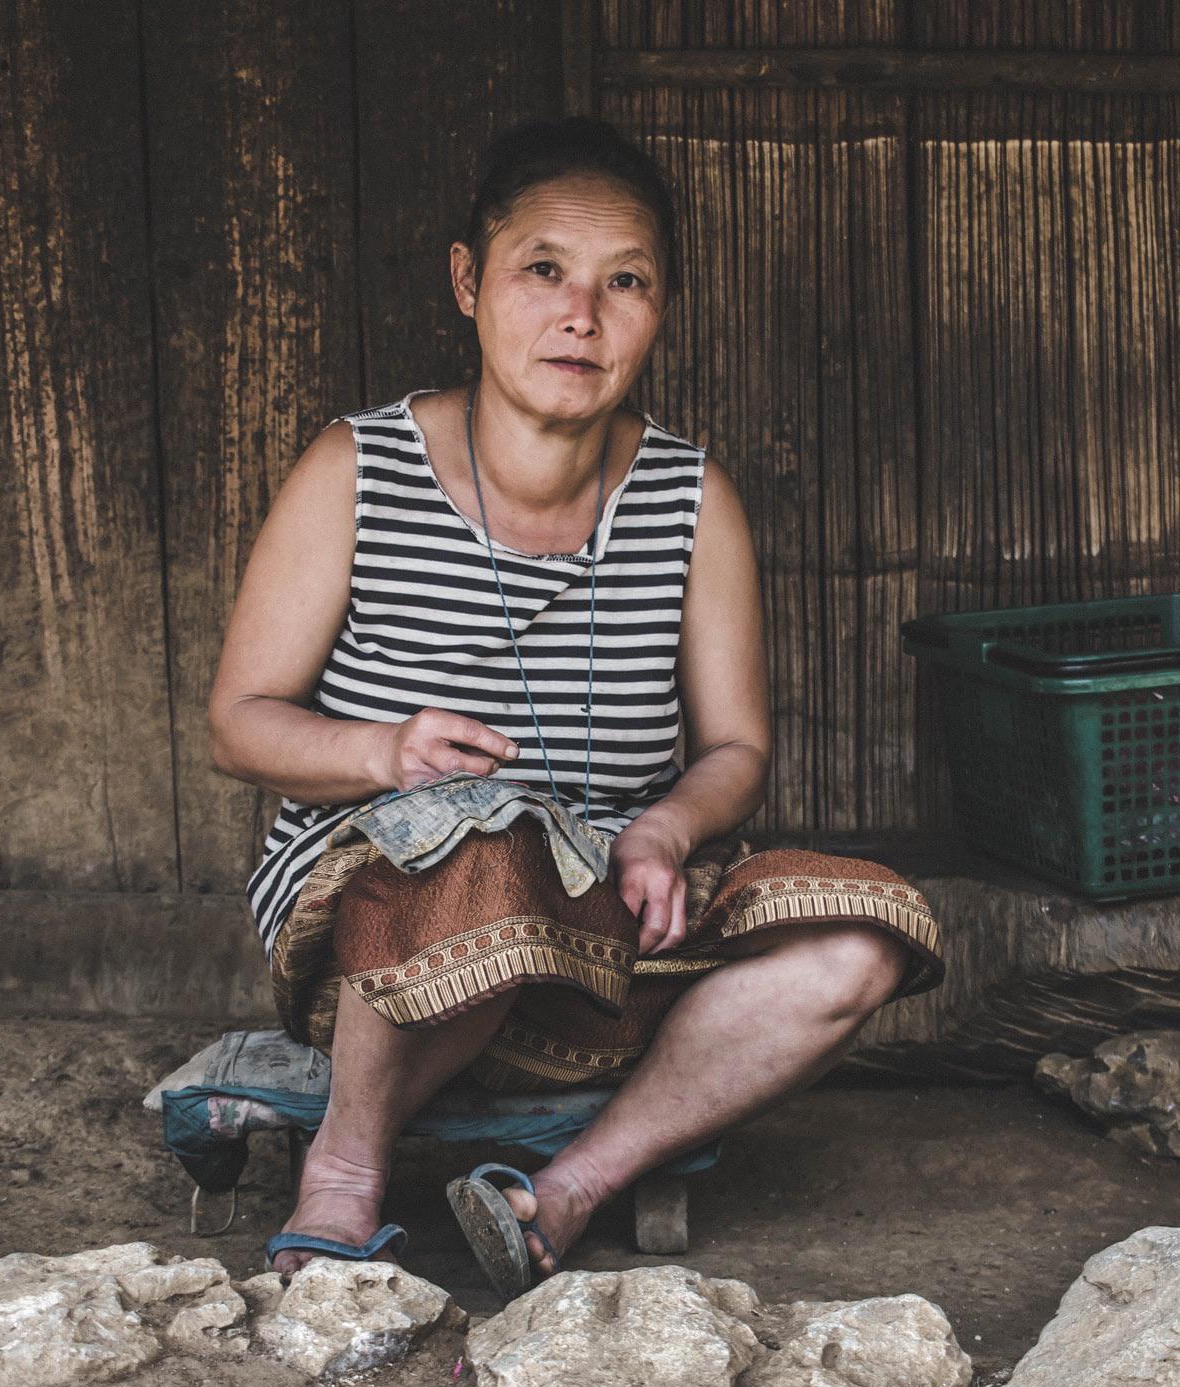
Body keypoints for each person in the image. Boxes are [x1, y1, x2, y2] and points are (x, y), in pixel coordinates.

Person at [208, 115, 944, 1292]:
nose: (581, 316)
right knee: (483, 838)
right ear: (469, 280)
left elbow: (737, 744)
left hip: (601, 926)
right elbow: (239, 720)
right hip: (386, 933)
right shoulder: (357, 468)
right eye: (542, 269)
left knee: (863, 931)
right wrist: (386, 750)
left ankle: (562, 1192)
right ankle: (341, 1177)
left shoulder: (691, 498)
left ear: (661, 308)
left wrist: (663, 829)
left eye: (625, 282)